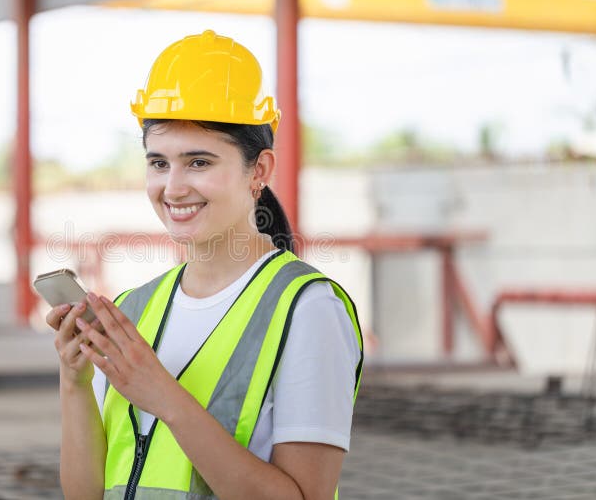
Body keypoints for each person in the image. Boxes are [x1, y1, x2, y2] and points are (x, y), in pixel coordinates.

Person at [46, 30, 363, 500]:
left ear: (260, 171)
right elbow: (85, 494)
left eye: (198, 162)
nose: (172, 188)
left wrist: (165, 397)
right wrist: (75, 382)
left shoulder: (307, 310)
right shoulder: (134, 308)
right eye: (158, 163)